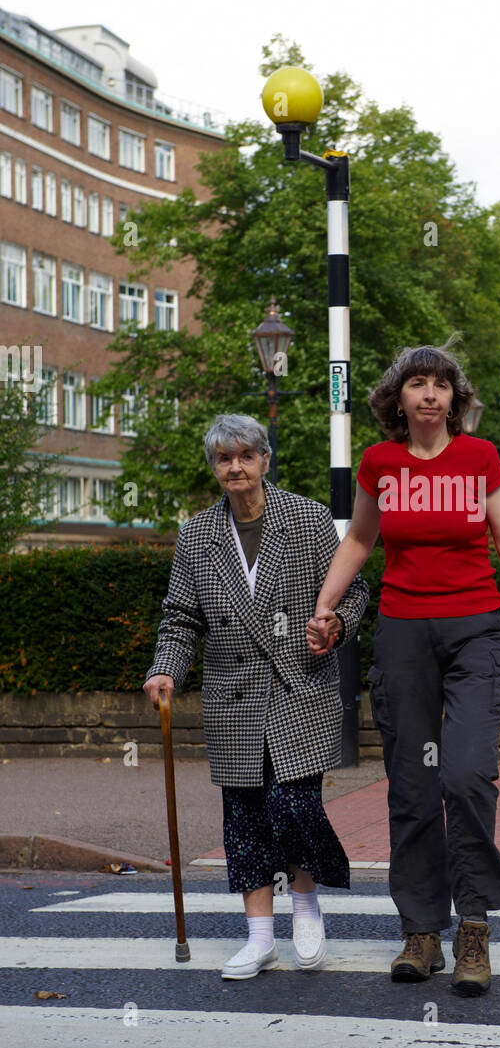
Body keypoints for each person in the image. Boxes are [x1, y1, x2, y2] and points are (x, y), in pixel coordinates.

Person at [306, 341, 500, 996]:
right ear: (399, 399)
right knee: (413, 786)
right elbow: (359, 541)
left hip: (476, 629)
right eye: (417, 383)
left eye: (441, 384)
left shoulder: (479, 458)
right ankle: (421, 930)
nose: (429, 394)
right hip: (403, 635)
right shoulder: (379, 464)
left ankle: (472, 924)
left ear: (454, 399)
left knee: (467, 772)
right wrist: (324, 608)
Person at [143, 414, 368, 979]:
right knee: (244, 817)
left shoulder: (309, 518)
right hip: (232, 694)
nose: (236, 466)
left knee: (293, 805)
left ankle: (307, 903)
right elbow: (179, 618)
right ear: (215, 467)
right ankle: (260, 936)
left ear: (266, 460)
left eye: (246, 455)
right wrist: (164, 669)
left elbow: (355, 589)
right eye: (224, 458)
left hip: (299, 685)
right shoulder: (197, 535)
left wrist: (334, 623)